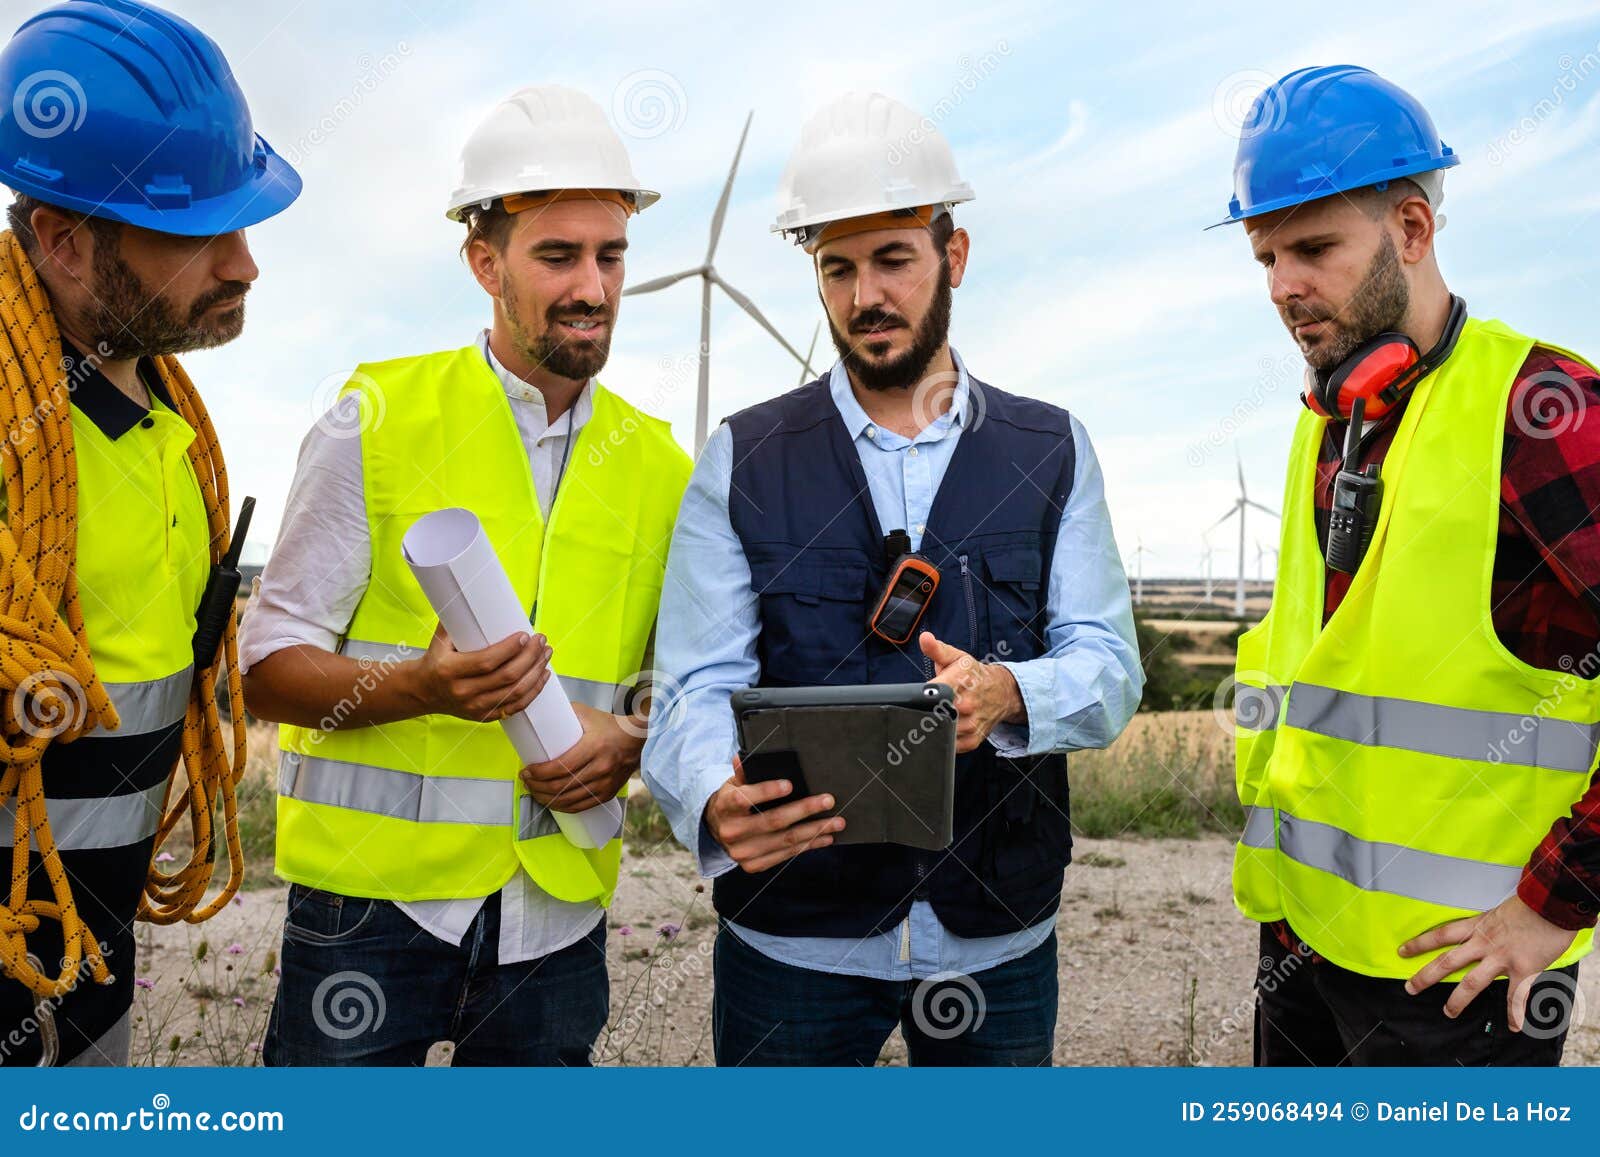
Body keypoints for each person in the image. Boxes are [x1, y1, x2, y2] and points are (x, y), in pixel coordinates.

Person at [643, 91, 1143, 1067]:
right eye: (837, 266)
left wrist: (1008, 689)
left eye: (892, 259)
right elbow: (695, 682)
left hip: (994, 932)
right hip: (792, 934)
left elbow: (1109, 664)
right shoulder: (743, 454)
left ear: (952, 258)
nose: (866, 293)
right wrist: (712, 793)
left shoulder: (1051, 447)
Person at [244, 85, 690, 1066]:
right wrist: (419, 685)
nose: (593, 286)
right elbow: (265, 667)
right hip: (369, 906)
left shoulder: (662, 467)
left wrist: (634, 737)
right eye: (558, 254)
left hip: (556, 908)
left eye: (611, 254)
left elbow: (685, 684)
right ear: (484, 261)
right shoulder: (375, 415)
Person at [1219, 65, 1600, 1066]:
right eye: (1264, 257)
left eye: (1312, 250)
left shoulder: (1540, 411)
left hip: (1457, 978)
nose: (1281, 287)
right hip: (1305, 942)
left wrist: (1558, 900)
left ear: (1413, 230)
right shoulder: (1330, 420)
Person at [0, 0, 300, 1065]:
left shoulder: (162, 420)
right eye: (197, 234)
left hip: (91, 962)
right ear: (64, 243)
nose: (244, 264)